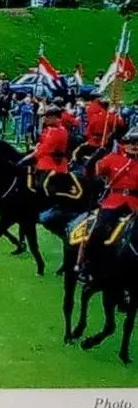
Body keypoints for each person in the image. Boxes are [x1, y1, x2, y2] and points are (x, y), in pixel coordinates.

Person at [79, 126, 138, 284]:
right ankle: (89, 266)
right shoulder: (112, 158)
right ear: (124, 143)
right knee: (99, 230)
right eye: (131, 142)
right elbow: (91, 173)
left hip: (135, 204)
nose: (135, 145)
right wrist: (94, 159)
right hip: (115, 202)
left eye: (137, 142)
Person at [19, 105, 81, 199]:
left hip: (53, 164)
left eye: (48, 117)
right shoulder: (50, 129)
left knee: (41, 187)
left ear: (55, 118)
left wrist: (29, 158)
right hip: (44, 160)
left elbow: (44, 150)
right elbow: (41, 143)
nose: (45, 119)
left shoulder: (58, 131)